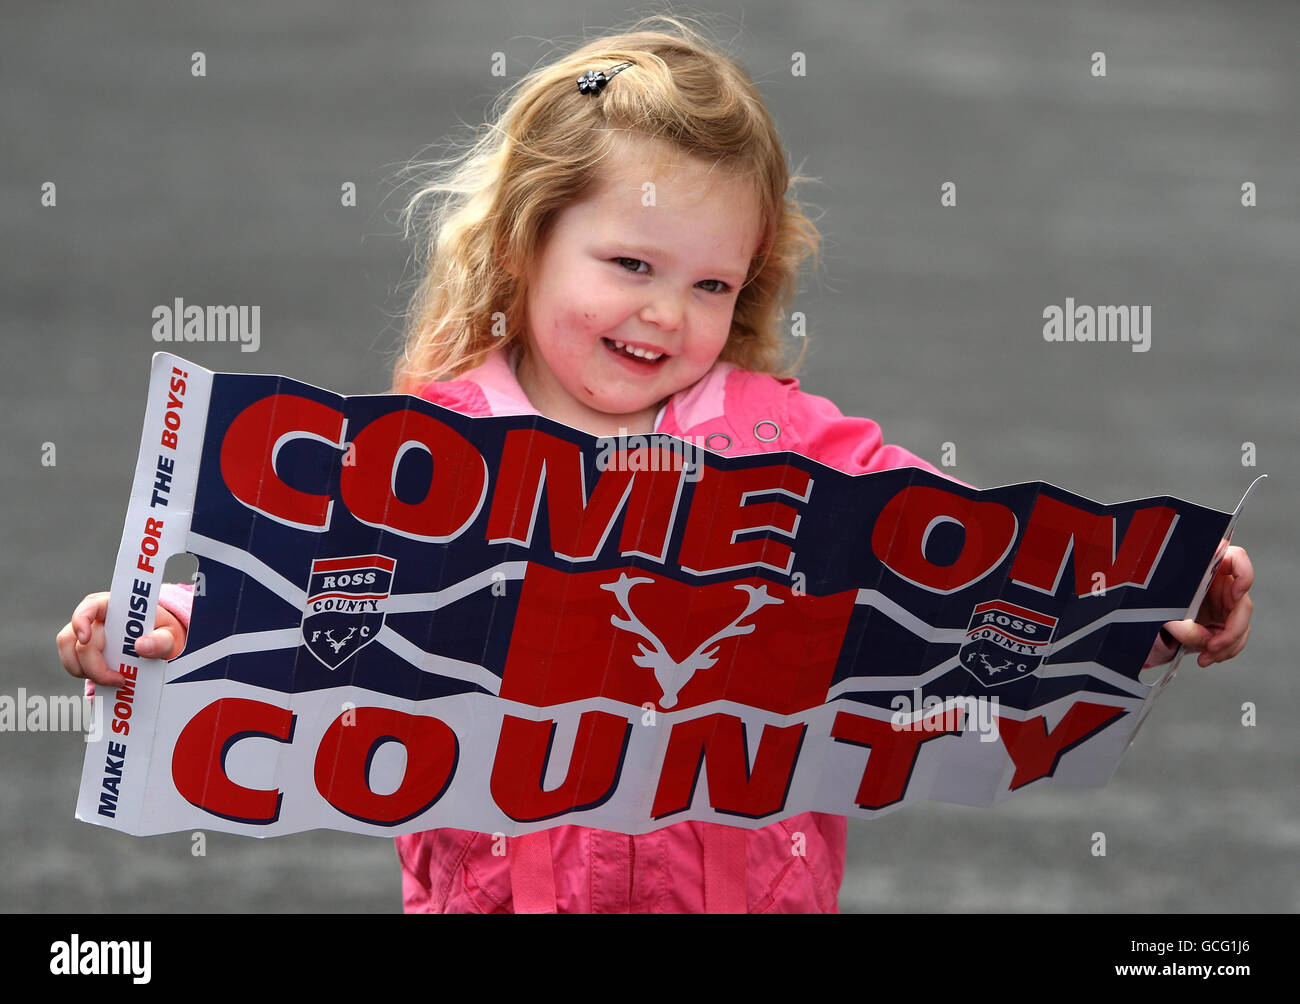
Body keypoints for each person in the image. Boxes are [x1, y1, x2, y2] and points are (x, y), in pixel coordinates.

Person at [55, 16, 1255, 913]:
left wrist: (1146, 608)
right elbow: (310, 599)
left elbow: (969, 582)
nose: (667, 314)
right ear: (529, 237)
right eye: (630, 264)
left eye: (710, 283)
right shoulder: (430, 449)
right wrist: (162, 628)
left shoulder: (795, 449)